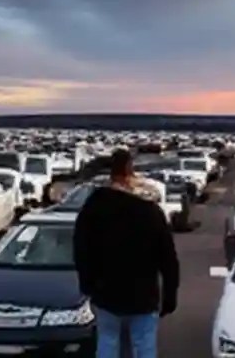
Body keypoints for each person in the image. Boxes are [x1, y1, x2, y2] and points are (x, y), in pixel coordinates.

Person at [73, 149, 180, 358]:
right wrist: (169, 296)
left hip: (106, 293)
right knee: (144, 345)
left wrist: (87, 284)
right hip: (143, 296)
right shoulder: (149, 211)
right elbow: (168, 259)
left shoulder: (94, 207)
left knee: (108, 342)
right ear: (130, 171)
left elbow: (81, 249)